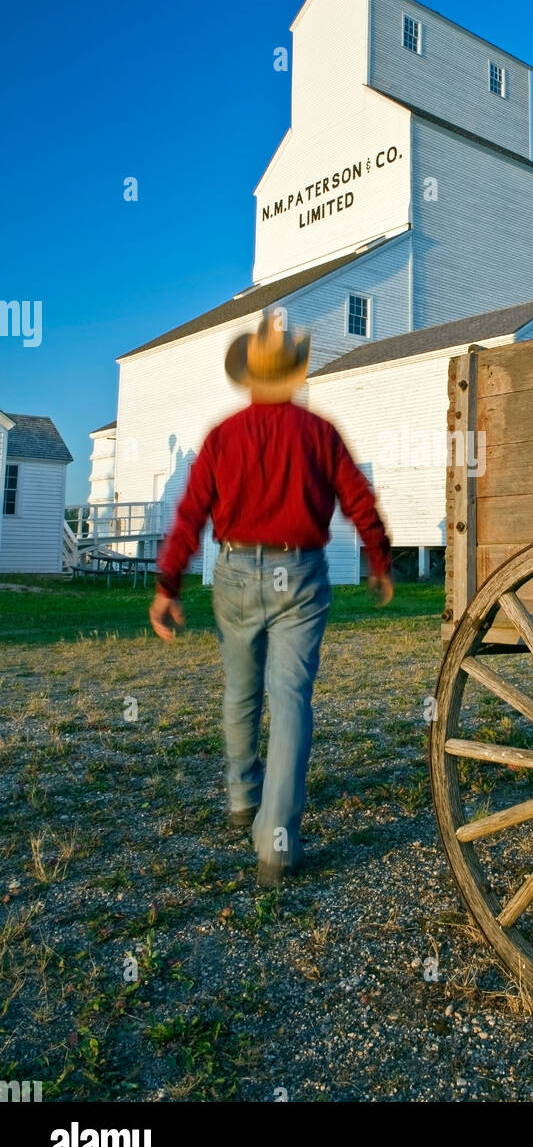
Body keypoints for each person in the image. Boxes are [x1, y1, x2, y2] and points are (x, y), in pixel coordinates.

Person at [148, 310, 394, 887]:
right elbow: (358, 498)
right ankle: (276, 844)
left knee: (240, 689)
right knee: (289, 701)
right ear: (293, 376)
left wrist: (168, 586)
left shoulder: (221, 437)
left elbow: (190, 516)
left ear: (251, 377)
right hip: (300, 572)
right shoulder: (320, 434)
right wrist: (379, 558)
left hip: (234, 568)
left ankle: (241, 796)